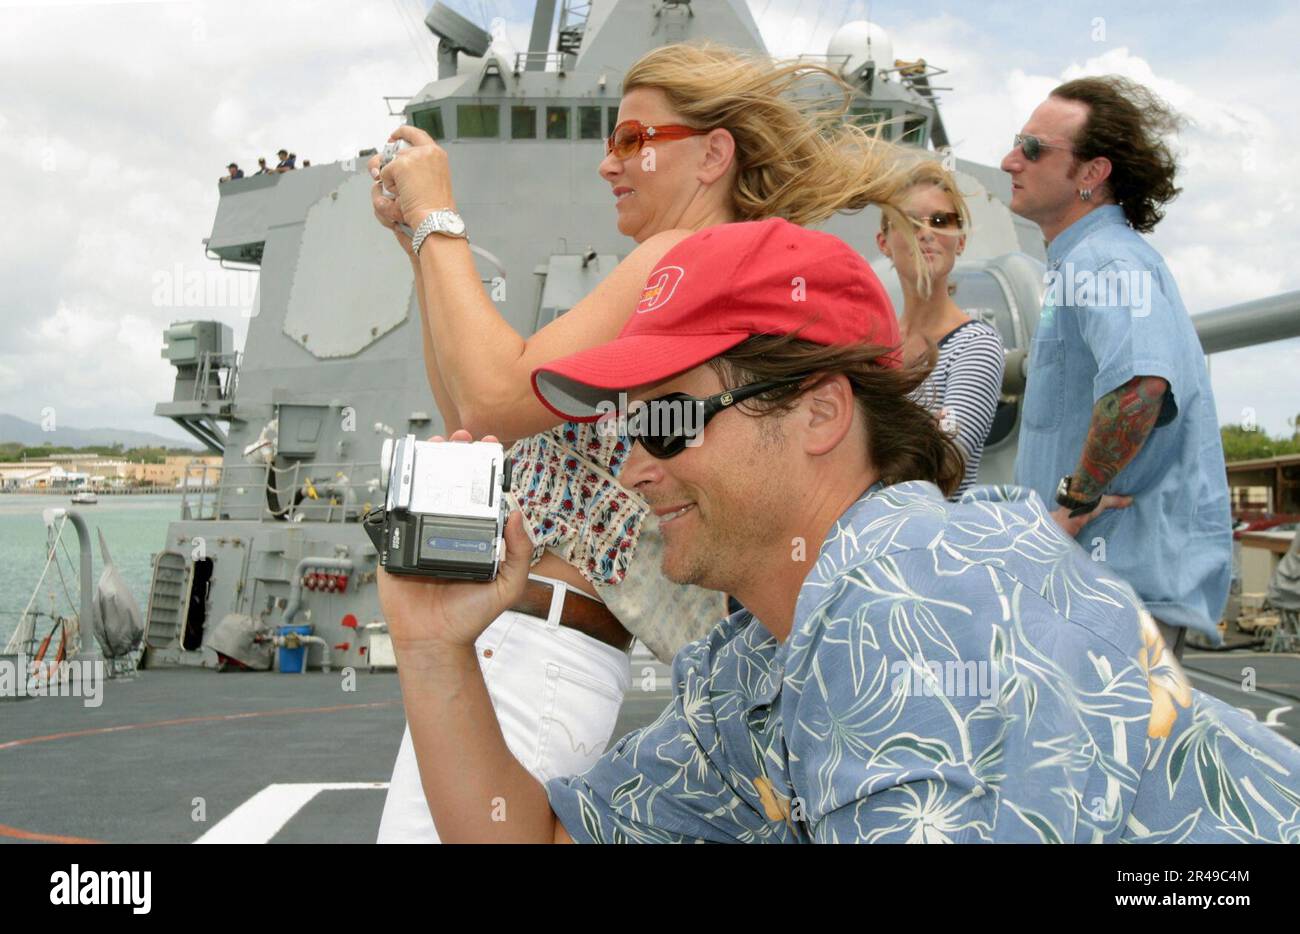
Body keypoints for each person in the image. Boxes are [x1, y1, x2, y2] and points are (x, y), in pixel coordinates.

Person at [377, 217, 1300, 844]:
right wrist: (431, 650)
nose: (630, 468)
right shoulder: (763, 660)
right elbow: (537, 834)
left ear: (820, 414)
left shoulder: (916, 593)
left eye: (661, 421)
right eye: (620, 428)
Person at [367, 42, 925, 843]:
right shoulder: (676, 276)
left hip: (538, 649)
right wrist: (418, 247)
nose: (609, 163)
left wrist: (436, 217)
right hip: (527, 643)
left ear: (712, 154)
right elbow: (469, 406)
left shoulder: (682, 261)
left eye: (634, 139)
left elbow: (491, 401)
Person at [1001, 76, 1231, 658]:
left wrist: (1073, 504)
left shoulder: (1105, 258)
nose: (1009, 161)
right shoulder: (1084, 262)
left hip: (1114, 601)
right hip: (1095, 593)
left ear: (1091, 174)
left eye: (1032, 148)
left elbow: (1141, 386)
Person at [876, 160, 1004, 498]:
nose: (926, 232)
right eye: (909, 221)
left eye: (940, 220)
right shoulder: (873, 344)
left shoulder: (976, 346)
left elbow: (945, 464)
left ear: (958, 242)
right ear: (884, 242)